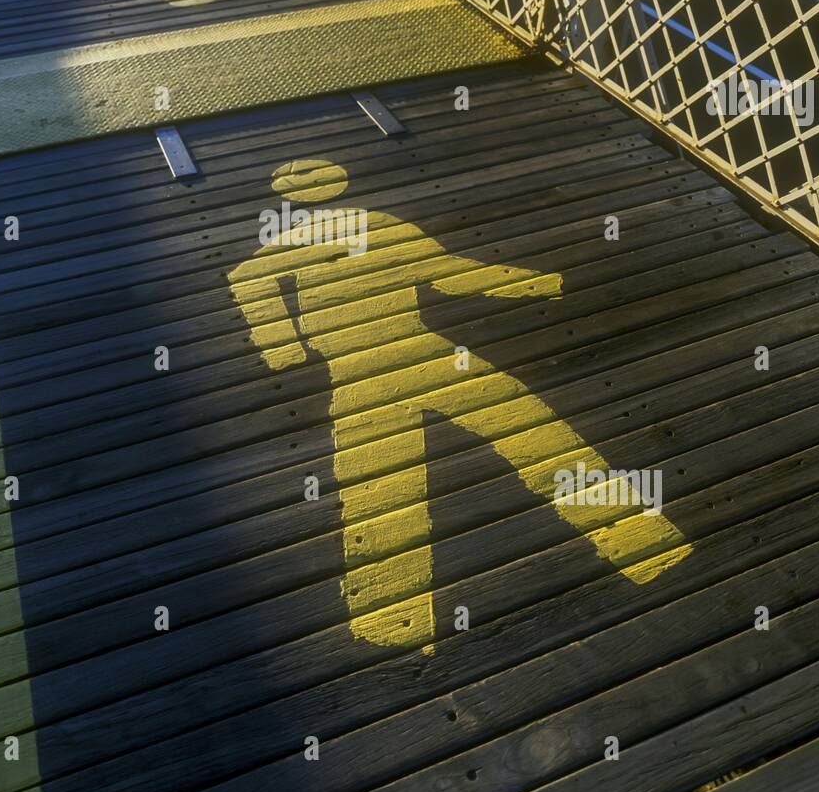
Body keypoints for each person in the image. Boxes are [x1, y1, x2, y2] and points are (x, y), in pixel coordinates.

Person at [228, 159, 691, 652]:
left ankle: (394, 622)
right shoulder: (374, 225)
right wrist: (531, 282)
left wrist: (285, 347)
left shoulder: (299, 235)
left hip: (367, 366)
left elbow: (247, 279)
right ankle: (639, 542)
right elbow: (447, 274)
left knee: (382, 486)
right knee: (534, 436)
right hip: (409, 354)